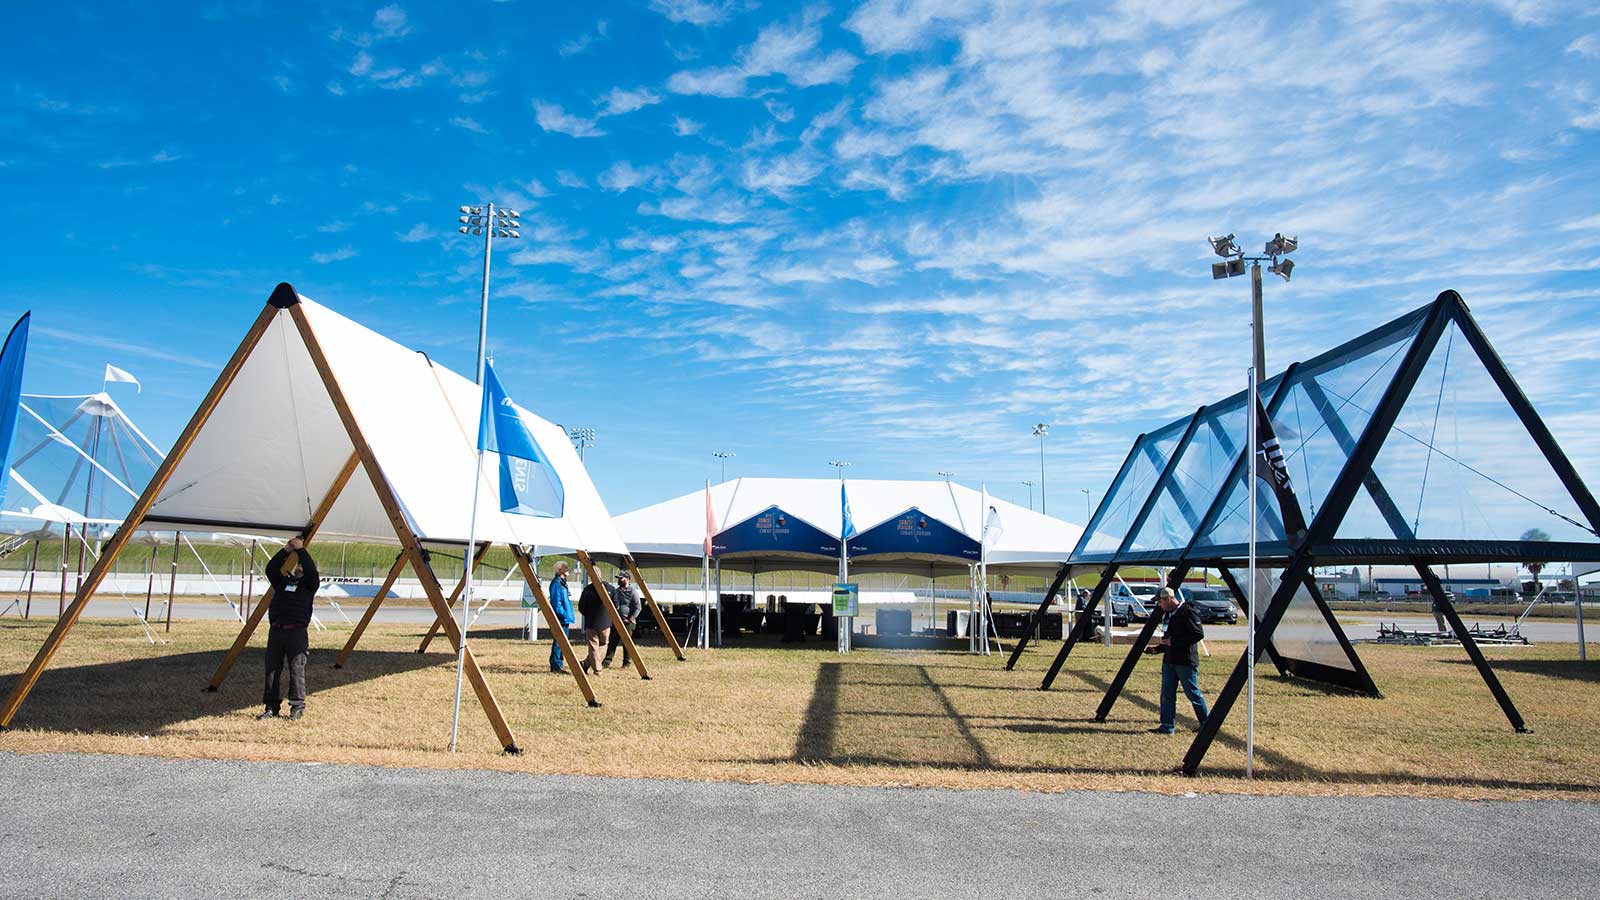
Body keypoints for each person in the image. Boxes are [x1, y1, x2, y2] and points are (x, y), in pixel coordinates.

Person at [259, 536, 319, 721]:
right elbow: (271, 569)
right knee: (272, 669)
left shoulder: (309, 585)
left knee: (296, 669)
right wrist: (286, 550)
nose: (300, 567)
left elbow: (311, 572)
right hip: (277, 630)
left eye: (303, 565)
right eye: (298, 565)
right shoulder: (284, 582)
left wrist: (301, 550)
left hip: (296, 632)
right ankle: (271, 707)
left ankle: (297, 706)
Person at [1144, 587, 1208, 734]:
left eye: (1160, 601)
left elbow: (1197, 634)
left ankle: (1206, 725)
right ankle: (1167, 726)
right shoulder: (1168, 614)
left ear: (1168, 599)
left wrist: (1174, 642)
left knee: (1192, 693)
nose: (1159, 605)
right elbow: (1168, 639)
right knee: (1166, 694)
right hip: (1169, 661)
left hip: (1185, 661)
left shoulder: (1187, 611)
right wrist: (1157, 649)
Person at [603, 571, 640, 670]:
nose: (619, 580)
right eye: (618, 578)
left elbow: (638, 607)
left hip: (628, 622)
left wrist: (631, 619)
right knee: (612, 642)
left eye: (621, 578)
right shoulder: (616, 591)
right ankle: (607, 662)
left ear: (627, 579)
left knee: (627, 643)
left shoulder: (633, 591)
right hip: (616, 620)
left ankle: (626, 663)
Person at [577, 575, 611, 677]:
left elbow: (582, 607)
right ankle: (598, 670)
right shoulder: (609, 589)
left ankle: (586, 663)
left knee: (597, 646)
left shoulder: (589, 589)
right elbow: (616, 605)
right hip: (602, 623)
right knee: (596, 646)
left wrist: (588, 615)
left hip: (598, 622)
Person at [547, 561, 574, 674]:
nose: (568, 571)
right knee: (559, 641)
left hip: (565, 617)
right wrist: (564, 614)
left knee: (563, 642)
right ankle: (556, 665)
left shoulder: (563, 583)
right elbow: (556, 603)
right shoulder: (557, 584)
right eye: (565, 569)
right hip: (561, 617)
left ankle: (559, 664)